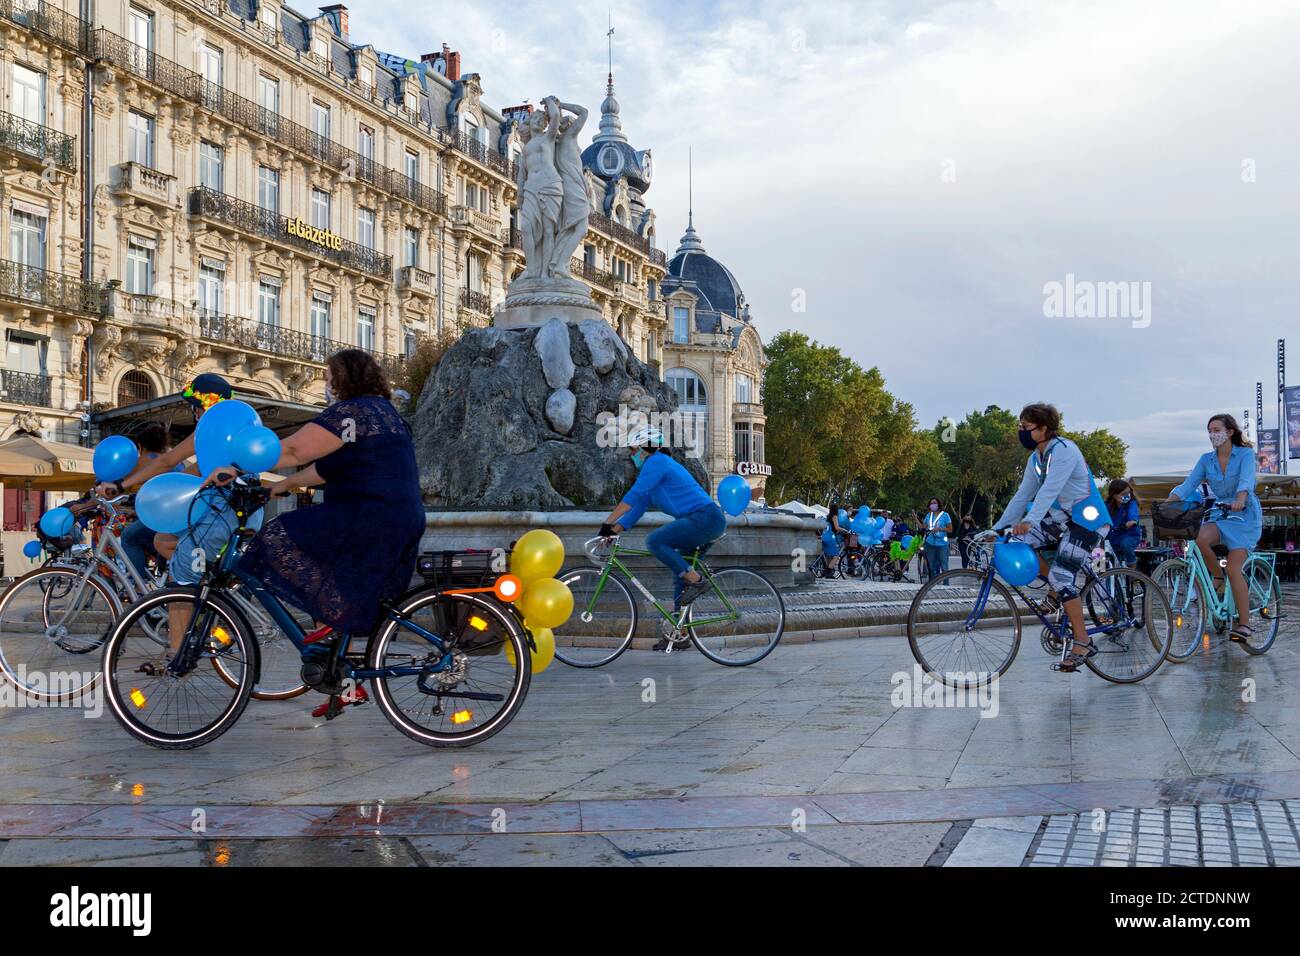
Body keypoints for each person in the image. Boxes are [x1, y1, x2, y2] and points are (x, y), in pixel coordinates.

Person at [230, 350, 426, 664]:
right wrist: (283, 484)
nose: (327, 384)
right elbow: (328, 468)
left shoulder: (352, 413)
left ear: (346, 376)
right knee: (337, 578)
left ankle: (330, 623)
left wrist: (236, 466)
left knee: (276, 535)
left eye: (329, 376)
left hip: (369, 514)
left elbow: (294, 451)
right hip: (400, 516)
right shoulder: (386, 414)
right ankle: (339, 669)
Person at [994, 403, 1110, 672]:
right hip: (1060, 519)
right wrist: (998, 528)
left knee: (1060, 575)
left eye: (1026, 427)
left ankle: (1082, 641)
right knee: (1016, 541)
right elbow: (1023, 495)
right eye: (1020, 426)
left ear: (1044, 428)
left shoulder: (1066, 451)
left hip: (1087, 520)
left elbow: (1049, 490)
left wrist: (1030, 520)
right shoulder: (1036, 458)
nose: (1021, 431)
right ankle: (1059, 590)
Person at [598, 427, 728, 649]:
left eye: (633, 449)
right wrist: (613, 532)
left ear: (644, 448)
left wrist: (606, 524)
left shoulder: (656, 462)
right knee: (680, 576)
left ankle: (697, 581)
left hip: (704, 519)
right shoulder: (655, 471)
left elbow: (633, 496)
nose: (631, 454)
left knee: (655, 541)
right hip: (705, 520)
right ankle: (679, 634)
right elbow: (637, 508)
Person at [1166, 414, 1261, 644]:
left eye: (1217, 429)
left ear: (1229, 432)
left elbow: (1246, 480)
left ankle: (1244, 624)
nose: (1212, 435)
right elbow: (1190, 483)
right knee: (1198, 538)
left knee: (1235, 568)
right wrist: (1171, 500)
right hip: (1222, 513)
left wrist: (1240, 498)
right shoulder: (1206, 459)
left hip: (1244, 515)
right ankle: (1216, 576)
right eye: (1209, 431)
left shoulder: (1246, 454)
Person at [1105, 479, 1141, 568]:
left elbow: (1133, 513)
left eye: (1129, 492)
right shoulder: (1106, 505)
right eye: (1123, 494)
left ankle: (1133, 572)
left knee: (1126, 544)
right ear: (1114, 495)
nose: (1128, 496)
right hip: (1111, 537)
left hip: (1130, 535)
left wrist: (1132, 521)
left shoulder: (1132, 503)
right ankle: (1097, 575)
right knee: (1098, 550)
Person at [922, 496, 953, 578]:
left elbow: (950, 529)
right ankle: (931, 584)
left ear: (939, 504)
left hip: (942, 544)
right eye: (931, 503)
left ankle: (946, 585)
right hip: (930, 543)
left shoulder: (945, 515)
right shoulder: (928, 515)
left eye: (934, 503)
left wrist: (940, 529)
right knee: (931, 567)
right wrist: (915, 518)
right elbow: (923, 527)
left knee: (944, 566)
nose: (933, 505)